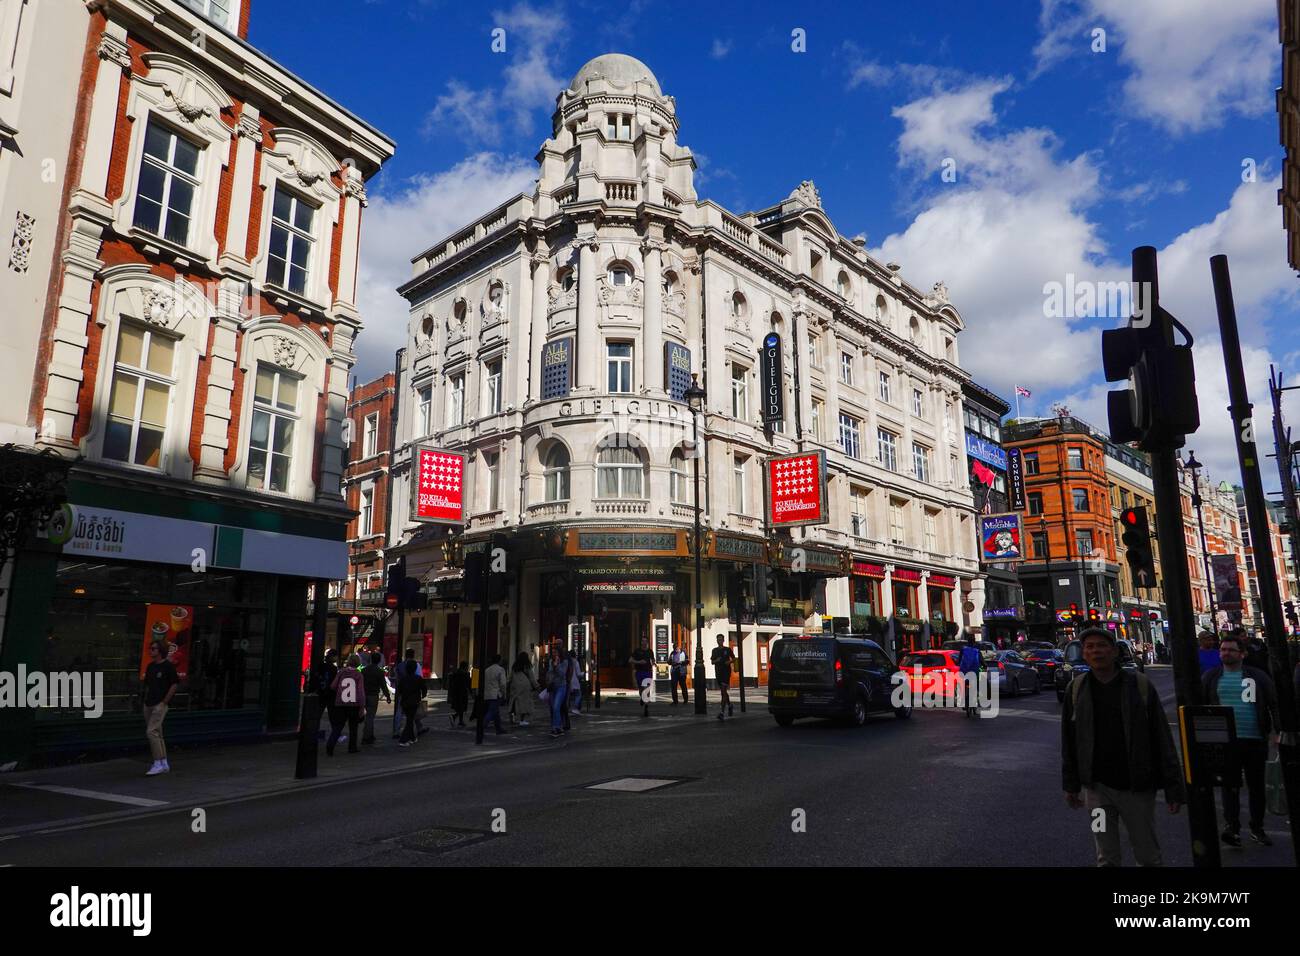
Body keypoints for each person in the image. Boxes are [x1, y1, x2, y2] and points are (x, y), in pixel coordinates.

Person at [1062, 626, 1186, 866]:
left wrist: (1173, 788)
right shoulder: (1076, 690)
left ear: (1114, 652)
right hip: (1097, 790)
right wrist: (1071, 785)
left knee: (1147, 853)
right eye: (1089, 647)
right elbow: (1069, 741)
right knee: (1105, 856)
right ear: (1084, 654)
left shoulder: (1139, 686)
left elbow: (1162, 738)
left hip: (1136, 788)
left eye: (1101, 646)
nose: (1096, 651)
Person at [1201, 635, 1280, 847]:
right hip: (1226, 740)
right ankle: (1232, 827)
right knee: (1229, 785)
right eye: (1223, 650)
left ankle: (1257, 827)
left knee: (1256, 786)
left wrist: (1277, 731)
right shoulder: (1212, 677)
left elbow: (1273, 703)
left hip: (1254, 738)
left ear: (1242, 654)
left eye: (1231, 650)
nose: (1226, 653)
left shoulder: (1256, 677)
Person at [142, 640, 179, 776]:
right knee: (157, 733)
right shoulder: (150, 666)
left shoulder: (168, 667)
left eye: (153, 649)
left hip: (159, 704)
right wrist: (145, 701)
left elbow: (174, 684)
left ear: (160, 651)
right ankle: (163, 763)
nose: (151, 651)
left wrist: (164, 702)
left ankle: (157, 762)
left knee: (151, 732)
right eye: (150, 648)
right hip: (149, 703)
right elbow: (148, 685)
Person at [328, 654, 366, 756]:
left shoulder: (341, 672)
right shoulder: (359, 675)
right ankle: (352, 747)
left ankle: (330, 745)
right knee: (353, 727)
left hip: (341, 703)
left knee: (338, 726)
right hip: (353, 705)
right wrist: (362, 707)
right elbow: (360, 693)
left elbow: (333, 686)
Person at [395, 653, 426, 748]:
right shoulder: (418, 678)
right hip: (414, 702)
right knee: (409, 720)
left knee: (409, 718)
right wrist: (422, 695)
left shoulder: (403, 679)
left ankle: (412, 738)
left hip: (405, 701)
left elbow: (399, 690)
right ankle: (403, 740)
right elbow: (424, 689)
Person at [360, 651, 390, 745]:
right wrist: (387, 696)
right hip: (373, 695)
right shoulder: (379, 671)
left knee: (369, 716)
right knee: (370, 716)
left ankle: (370, 735)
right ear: (379, 661)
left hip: (364, 694)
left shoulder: (364, 670)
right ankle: (366, 737)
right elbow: (383, 685)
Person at [509, 652, 538, 728]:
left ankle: (512, 715)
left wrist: (509, 683)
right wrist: (536, 685)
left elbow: (510, 676)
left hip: (515, 686)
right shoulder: (527, 666)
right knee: (524, 704)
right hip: (525, 686)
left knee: (514, 701)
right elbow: (531, 677)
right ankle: (522, 720)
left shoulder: (515, 666)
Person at [547, 647, 570, 738]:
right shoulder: (550, 662)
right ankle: (559, 726)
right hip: (553, 686)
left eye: (555, 652)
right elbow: (549, 672)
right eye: (552, 652)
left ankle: (555, 727)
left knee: (556, 706)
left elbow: (562, 674)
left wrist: (557, 666)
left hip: (561, 686)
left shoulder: (564, 662)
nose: (554, 654)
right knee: (553, 708)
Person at [957, 633, 982, 716]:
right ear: (974, 641)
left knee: (962, 686)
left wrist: (958, 664)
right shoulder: (977, 650)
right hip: (974, 672)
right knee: (975, 687)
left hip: (964, 671)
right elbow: (982, 661)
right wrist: (985, 665)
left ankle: (963, 701)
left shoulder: (963, 649)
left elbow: (959, 660)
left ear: (967, 641)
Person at [711, 635, 735, 720]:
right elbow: (712, 662)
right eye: (718, 640)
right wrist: (716, 660)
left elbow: (734, 658)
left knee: (723, 692)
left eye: (721, 639)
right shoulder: (714, 650)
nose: (719, 641)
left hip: (726, 672)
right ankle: (730, 705)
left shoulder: (727, 650)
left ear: (723, 640)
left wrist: (729, 662)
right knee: (723, 691)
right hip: (718, 672)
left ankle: (722, 712)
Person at [483, 653, 508, 735]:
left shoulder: (487, 670)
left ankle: (498, 728)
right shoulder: (501, 669)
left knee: (496, 712)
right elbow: (503, 684)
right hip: (496, 694)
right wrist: (504, 693)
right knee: (492, 711)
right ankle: (483, 724)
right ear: (499, 661)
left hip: (487, 693)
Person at [631, 636, 655, 719]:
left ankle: (646, 707)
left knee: (646, 689)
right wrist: (639, 662)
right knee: (641, 689)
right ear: (641, 642)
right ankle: (642, 698)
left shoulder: (650, 651)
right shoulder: (637, 651)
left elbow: (652, 660)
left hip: (648, 672)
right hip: (639, 672)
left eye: (645, 641)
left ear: (647, 642)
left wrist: (653, 663)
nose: (644, 643)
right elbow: (630, 660)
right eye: (642, 641)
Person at [448, 660, 471, 728]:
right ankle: (454, 716)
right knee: (462, 707)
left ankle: (460, 721)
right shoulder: (465, 673)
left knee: (459, 707)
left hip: (456, 692)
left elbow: (451, 683)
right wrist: (471, 692)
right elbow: (468, 683)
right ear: (465, 666)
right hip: (463, 692)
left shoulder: (455, 672)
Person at [568, 649, 583, 716]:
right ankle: (575, 708)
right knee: (578, 695)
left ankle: (569, 708)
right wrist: (583, 673)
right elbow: (578, 674)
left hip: (568, 681)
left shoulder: (567, 662)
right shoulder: (576, 662)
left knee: (569, 696)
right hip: (575, 681)